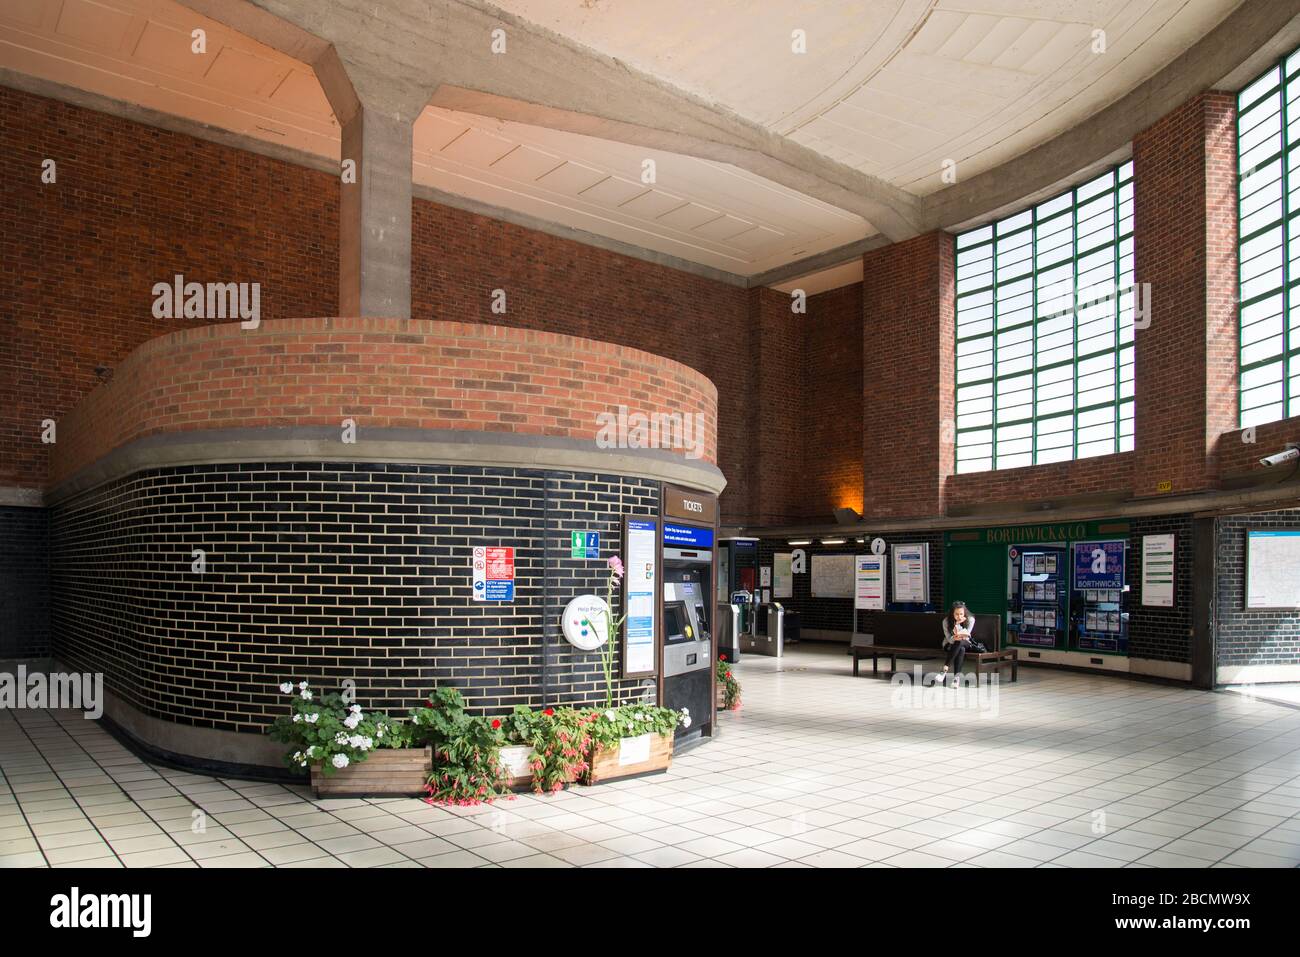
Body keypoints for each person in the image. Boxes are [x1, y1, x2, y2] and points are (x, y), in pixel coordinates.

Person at [939, 601, 975, 687]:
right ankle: (956, 679)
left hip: (965, 642)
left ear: (964, 613)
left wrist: (958, 628)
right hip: (949, 643)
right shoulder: (946, 621)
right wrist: (955, 635)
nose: (959, 616)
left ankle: (945, 669)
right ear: (952, 613)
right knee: (960, 648)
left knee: (960, 642)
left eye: (961, 614)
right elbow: (948, 638)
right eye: (956, 614)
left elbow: (966, 637)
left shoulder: (970, 620)